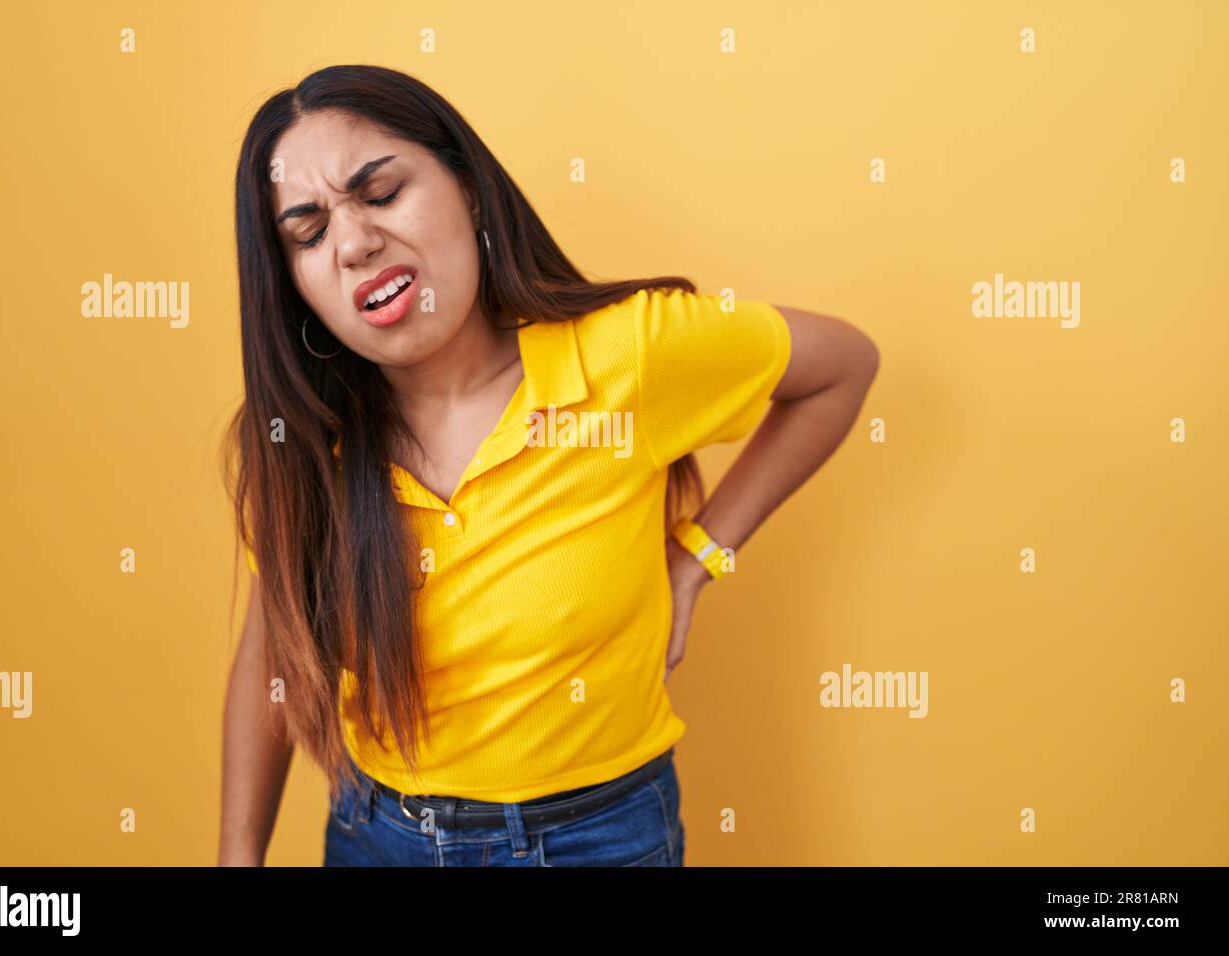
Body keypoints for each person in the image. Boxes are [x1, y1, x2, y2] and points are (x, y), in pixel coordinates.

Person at [218, 65, 879, 867]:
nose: (354, 242)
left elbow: (843, 367)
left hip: (600, 838)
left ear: (466, 185)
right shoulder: (300, 438)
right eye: (309, 232)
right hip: (377, 837)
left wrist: (698, 556)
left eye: (382, 193)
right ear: (293, 286)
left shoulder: (629, 354)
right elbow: (272, 647)